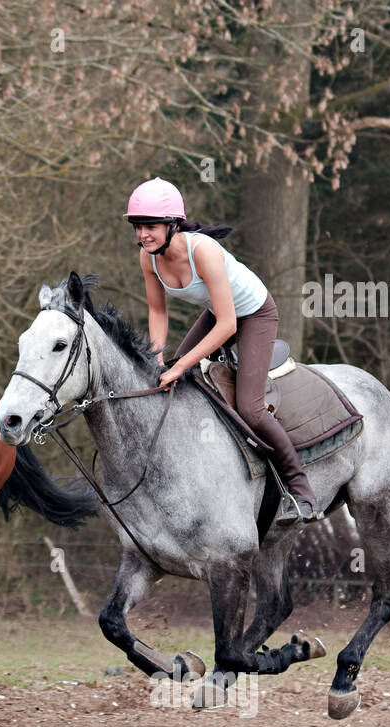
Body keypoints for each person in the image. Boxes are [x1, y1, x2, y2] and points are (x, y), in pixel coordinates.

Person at [127, 177, 317, 525]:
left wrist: (181, 364)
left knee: (250, 407)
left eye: (150, 227)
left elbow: (229, 325)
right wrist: (158, 359)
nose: (143, 235)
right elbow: (157, 312)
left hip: (253, 315)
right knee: (170, 379)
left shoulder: (204, 251)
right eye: (138, 227)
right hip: (219, 315)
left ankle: (300, 489)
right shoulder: (148, 258)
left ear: (172, 225)